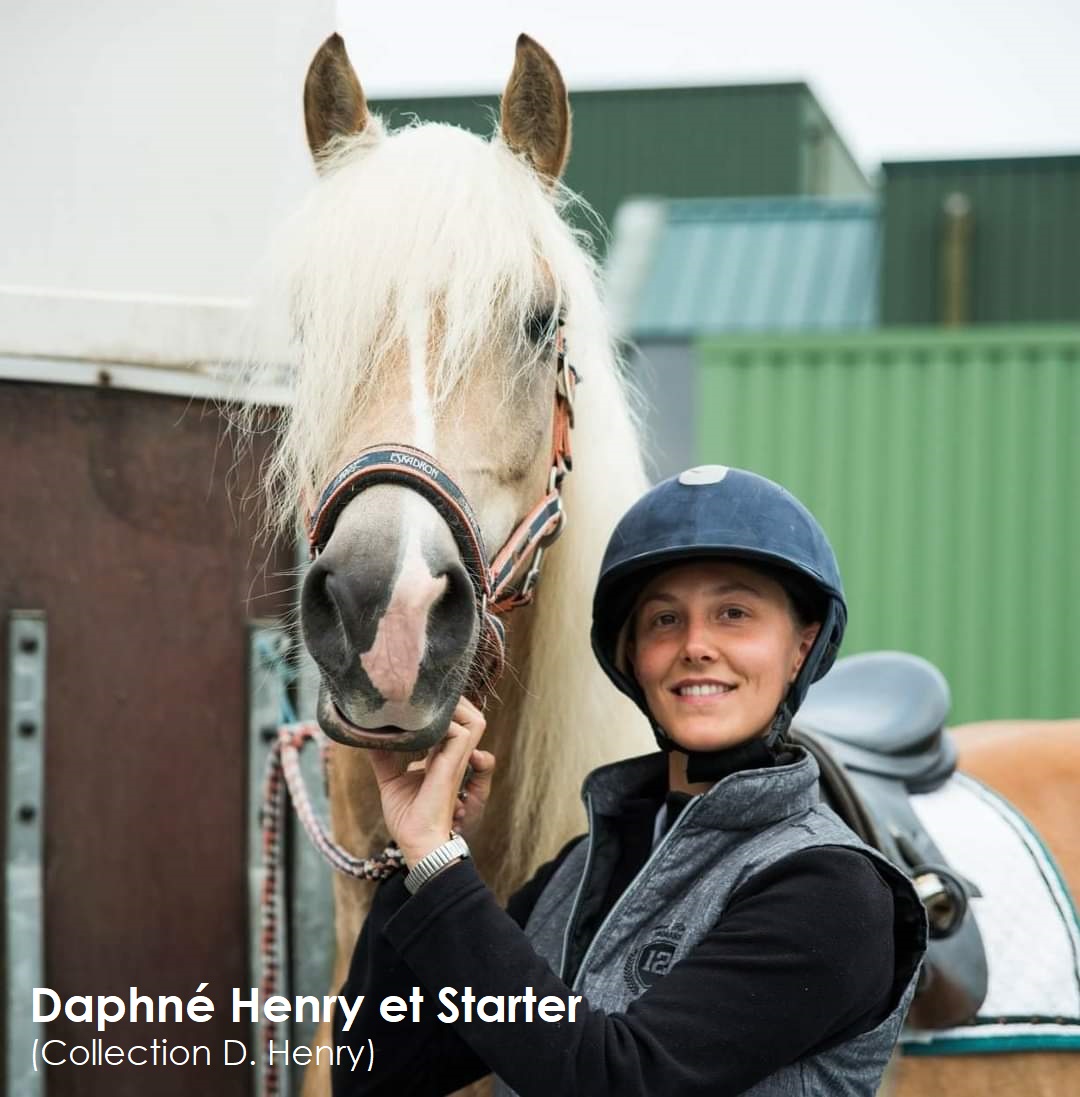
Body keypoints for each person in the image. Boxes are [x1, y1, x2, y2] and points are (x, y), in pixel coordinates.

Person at [333, 465, 927, 1097]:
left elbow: (617, 1080)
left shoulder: (833, 892)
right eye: (664, 620)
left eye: (733, 613)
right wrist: (417, 858)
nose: (696, 645)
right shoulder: (580, 870)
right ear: (632, 658)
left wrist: (441, 870)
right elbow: (380, 1068)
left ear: (802, 647)